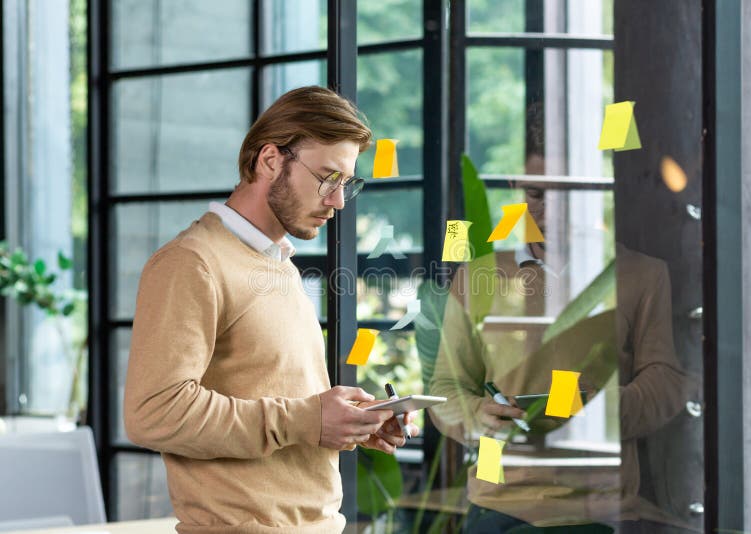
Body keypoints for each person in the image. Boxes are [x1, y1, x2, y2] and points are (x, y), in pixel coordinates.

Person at [124, 86, 419, 533]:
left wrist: (351, 422)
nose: (338, 201)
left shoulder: (277, 264)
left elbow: (277, 400)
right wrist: (306, 419)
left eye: (347, 184)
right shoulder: (192, 263)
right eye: (327, 178)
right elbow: (153, 413)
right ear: (270, 160)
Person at [427, 186, 692, 532]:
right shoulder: (477, 277)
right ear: (515, 187)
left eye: (567, 195)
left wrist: (607, 410)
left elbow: (667, 379)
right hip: (496, 501)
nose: (550, 213)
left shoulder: (641, 274)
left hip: (596, 506)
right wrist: (477, 415)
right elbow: (446, 387)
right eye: (537, 194)